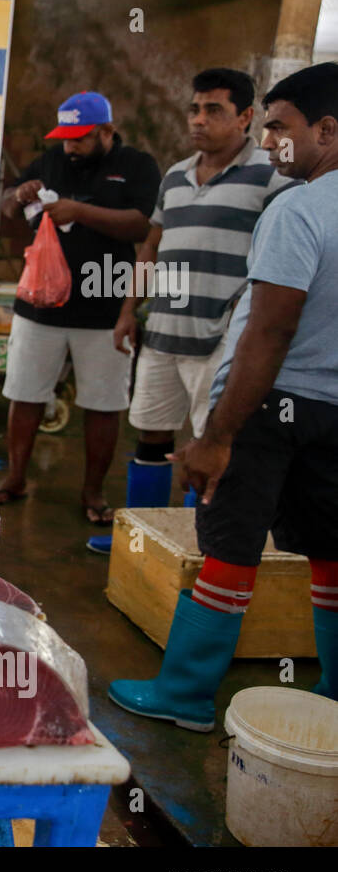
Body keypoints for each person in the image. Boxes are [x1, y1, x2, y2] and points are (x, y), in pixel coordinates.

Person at [110, 63, 338, 729]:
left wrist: (216, 436)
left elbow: (271, 328)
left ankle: (183, 694)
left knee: (230, 548)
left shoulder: (297, 209)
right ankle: (332, 701)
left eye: (280, 127)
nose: (270, 142)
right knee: (331, 551)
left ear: (326, 131)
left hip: (270, 405)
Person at [88, 70, 300, 555]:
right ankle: (138, 541)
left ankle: (191, 545)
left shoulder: (269, 177)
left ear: (246, 117)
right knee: (151, 432)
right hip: (163, 329)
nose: (199, 120)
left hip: (223, 337)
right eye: (194, 109)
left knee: (207, 441)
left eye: (214, 111)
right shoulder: (175, 175)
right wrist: (128, 312)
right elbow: (151, 248)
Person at [0, 91, 161, 524]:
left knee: (103, 402)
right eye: (66, 139)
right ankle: (15, 478)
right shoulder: (51, 161)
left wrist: (79, 211)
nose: (71, 147)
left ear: (107, 131)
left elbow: (143, 224)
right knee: (24, 392)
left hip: (106, 303)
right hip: (40, 304)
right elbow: (10, 209)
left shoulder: (138, 166)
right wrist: (19, 193)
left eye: (81, 139)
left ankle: (93, 493)